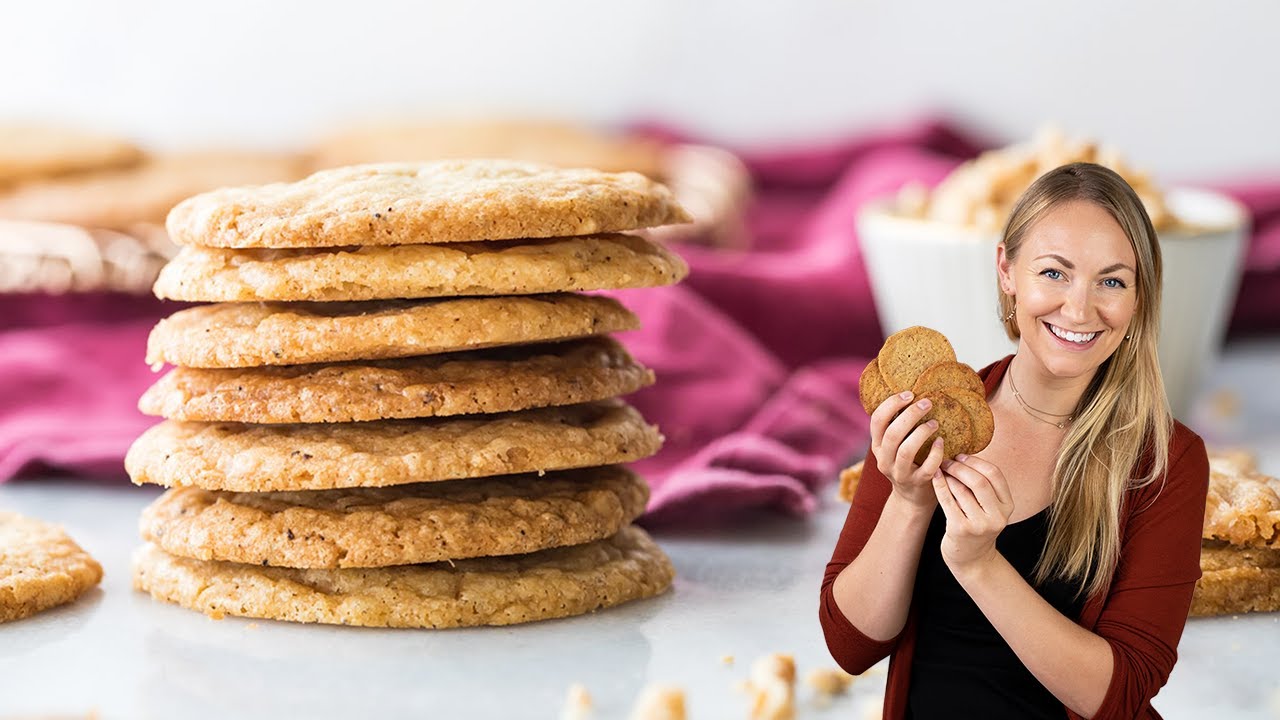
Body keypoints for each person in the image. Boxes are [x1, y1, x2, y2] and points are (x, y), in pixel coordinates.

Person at [819, 162, 1210, 720]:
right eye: (1053, 273)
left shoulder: (1165, 461)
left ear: (1139, 297)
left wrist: (980, 565)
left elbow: (1121, 693)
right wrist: (908, 500)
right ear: (1007, 269)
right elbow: (851, 646)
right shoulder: (929, 412)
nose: (1078, 309)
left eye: (1112, 281)